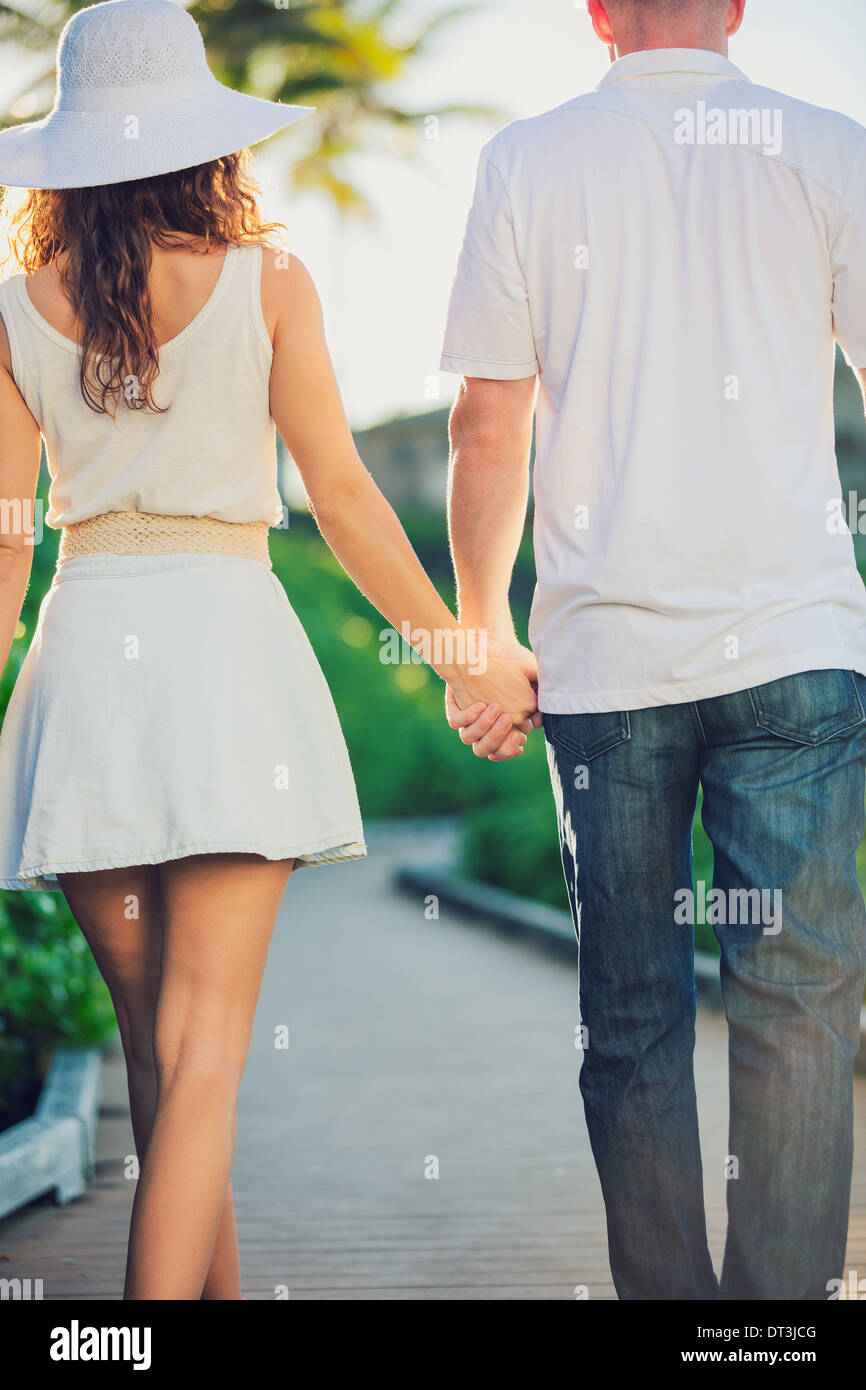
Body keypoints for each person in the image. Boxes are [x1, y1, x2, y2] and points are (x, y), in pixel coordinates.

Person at [0, 0, 535, 1301]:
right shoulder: (268, 281)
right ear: (202, 141)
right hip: (225, 660)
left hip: (87, 669)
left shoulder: (17, 307)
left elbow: (5, 546)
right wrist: (460, 650)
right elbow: (344, 497)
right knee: (203, 1060)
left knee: (162, 1062)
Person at [441, 0, 866, 1300]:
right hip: (796, 645)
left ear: (594, 13)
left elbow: (487, 424)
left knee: (629, 1018)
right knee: (798, 1003)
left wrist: (480, 629)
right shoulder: (828, 147)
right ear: (737, 8)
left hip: (605, 665)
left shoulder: (532, 158)